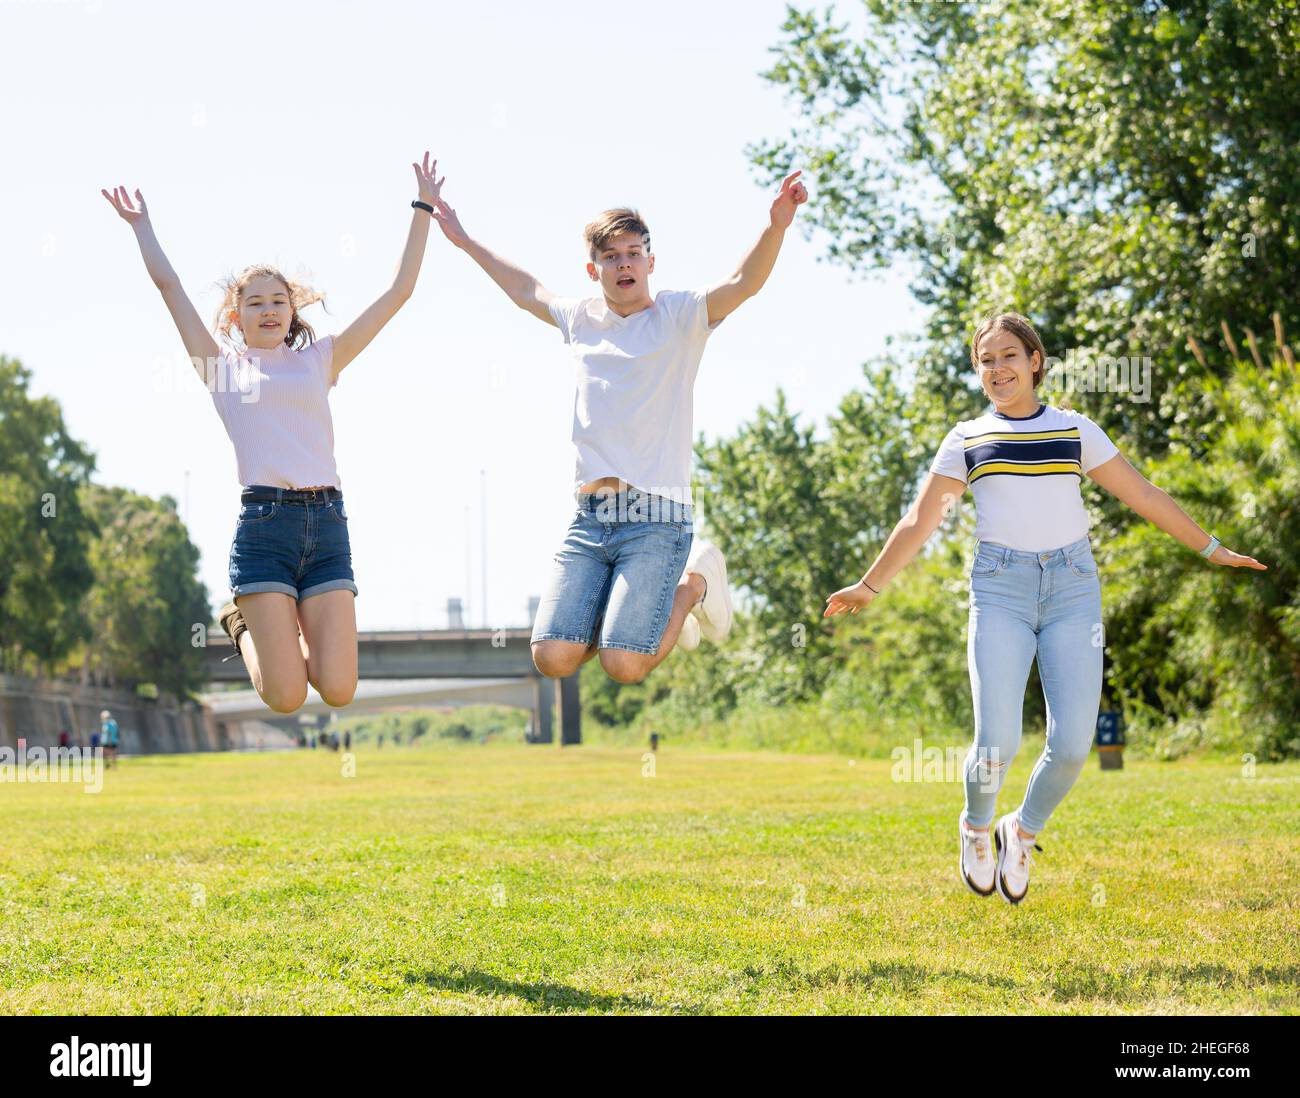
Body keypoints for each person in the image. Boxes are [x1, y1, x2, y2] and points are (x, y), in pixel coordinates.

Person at [824, 312, 1266, 905]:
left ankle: (1021, 831)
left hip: (1072, 587)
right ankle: (977, 826)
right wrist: (868, 585)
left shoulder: (1075, 430)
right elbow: (919, 521)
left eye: (1009, 356)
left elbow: (1144, 495)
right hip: (1000, 588)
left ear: (1035, 361)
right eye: (986, 360)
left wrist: (1211, 548)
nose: (997, 369)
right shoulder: (967, 439)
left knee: (1075, 743)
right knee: (997, 743)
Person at [430, 171, 809, 683]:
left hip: (658, 515)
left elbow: (745, 284)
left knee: (625, 664)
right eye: (611, 256)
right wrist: (463, 239)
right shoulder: (581, 319)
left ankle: (691, 585)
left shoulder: (680, 316)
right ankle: (644, 614)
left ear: (650, 262)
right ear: (594, 269)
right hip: (590, 517)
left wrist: (776, 227)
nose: (623, 263)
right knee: (552, 657)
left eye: (633, 253)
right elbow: (525, 290)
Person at [101, 154, 445, 714]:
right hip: (264, 529)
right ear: (236, 316)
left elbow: (398, 293)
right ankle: (242, 623)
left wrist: (422, 206)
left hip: (328, 525)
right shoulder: (221, 369)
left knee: (338, 689)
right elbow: (170, 287)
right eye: (255, 303)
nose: (268, 310)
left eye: (278, 301)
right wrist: (143, 228)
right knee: (286, 697)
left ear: (292, 310)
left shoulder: (322, 360)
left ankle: (278, 626)